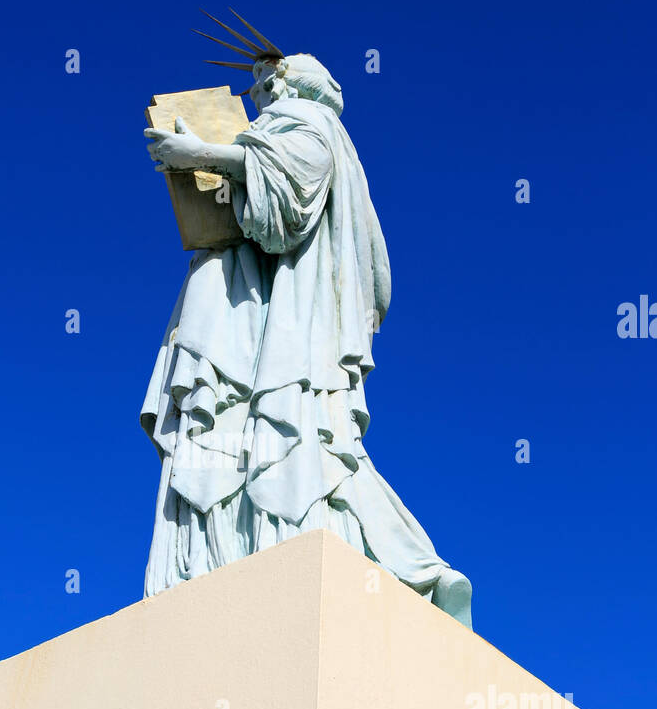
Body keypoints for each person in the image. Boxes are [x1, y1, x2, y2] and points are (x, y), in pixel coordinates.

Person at [142, 31, 472, 628]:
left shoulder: (307, 121)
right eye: (257, 88)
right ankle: (407, 569)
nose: (259, 95)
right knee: (297, 442)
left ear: (291, 83)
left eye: (267, 84)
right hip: (264, 307)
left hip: (292, 327)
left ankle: (413, 570)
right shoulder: (296, 128)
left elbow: (288, 202)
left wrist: (201, 154)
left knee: (297, 443)